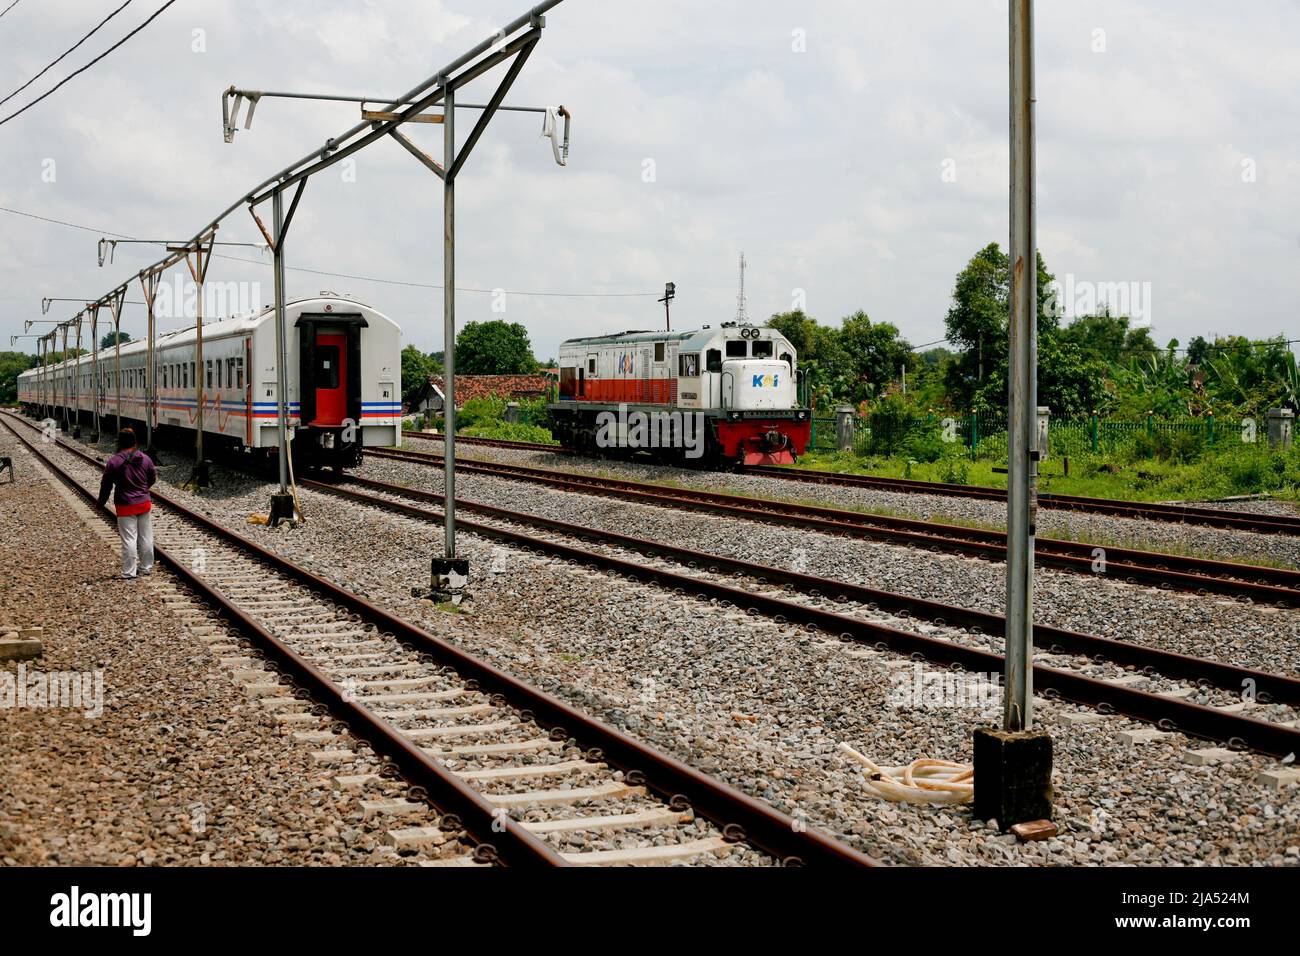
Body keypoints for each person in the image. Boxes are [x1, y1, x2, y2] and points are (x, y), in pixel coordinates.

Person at [96, 428, 157, 579]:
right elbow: (152, 477)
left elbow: (106, 486)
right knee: (146, 537)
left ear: (119, 443)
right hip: (144, 503)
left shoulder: (114, 462)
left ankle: (129, 571)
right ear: (135, 442)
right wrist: (143, 490)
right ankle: (146, 567)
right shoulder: (145, 458)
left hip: (125, 504)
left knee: (129, 539)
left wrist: (100, 503)